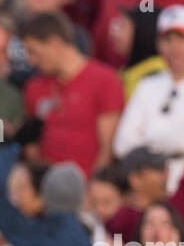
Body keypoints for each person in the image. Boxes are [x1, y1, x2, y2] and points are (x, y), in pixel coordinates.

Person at [113, 6, 184, 194]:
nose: (174, 47)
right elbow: (122, 144)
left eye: (181, 38)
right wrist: (176, 137)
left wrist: (148, 139)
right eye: (166, 40)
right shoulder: (147, 85)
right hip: (147, 190)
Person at [20, 11, 124, 176]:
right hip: (44, 186)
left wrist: (91, 191)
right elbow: (32, 145)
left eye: (34, 52)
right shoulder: (34, 87)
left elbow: (107, 149)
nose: (30, 60)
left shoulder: (105, 80)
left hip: (86, 185)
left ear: (55, 43)